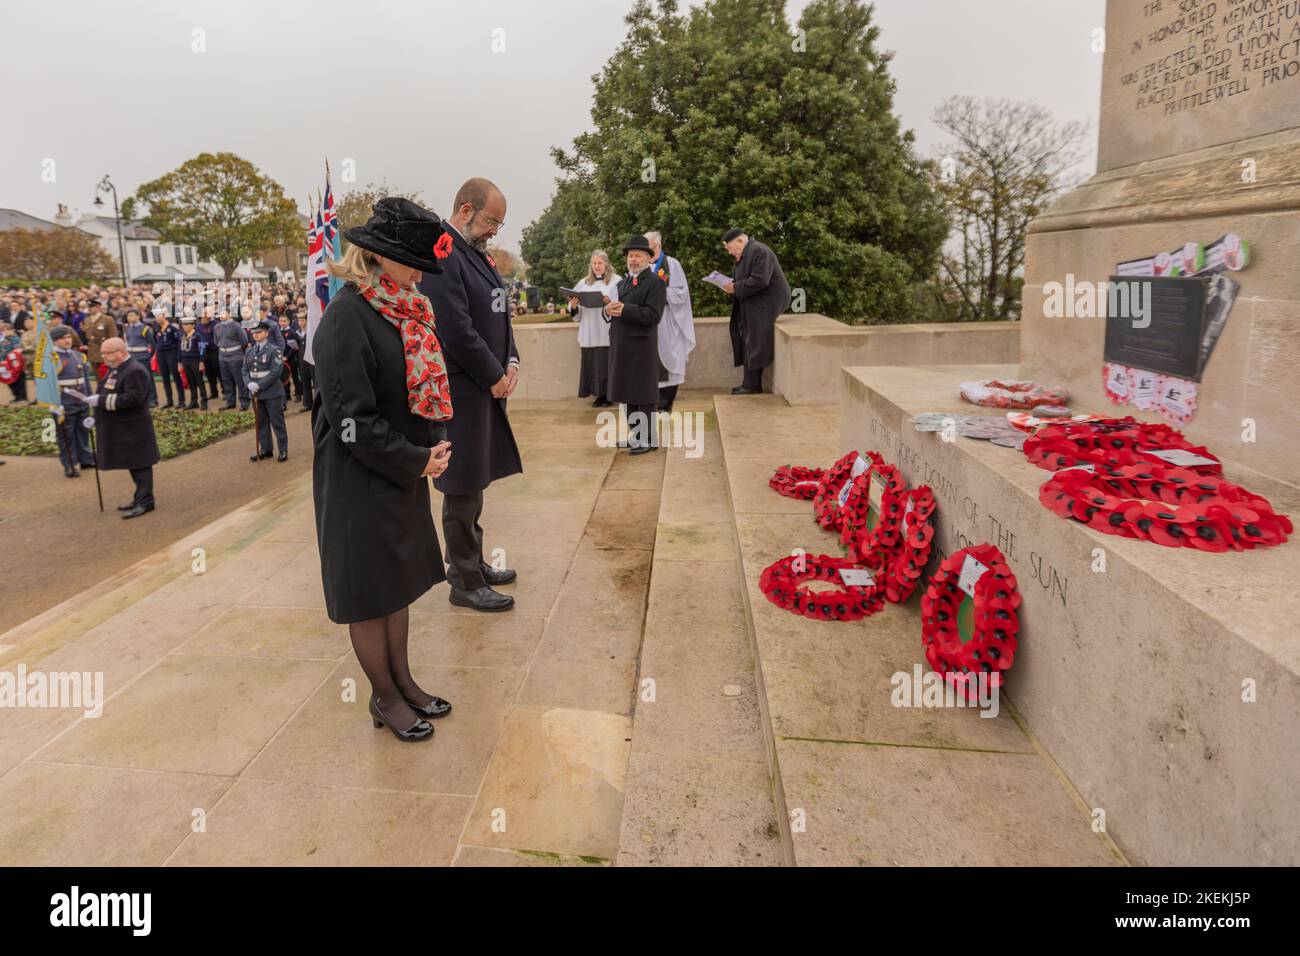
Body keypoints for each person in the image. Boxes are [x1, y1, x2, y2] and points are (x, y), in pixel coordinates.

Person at [314, 198, 455, 741]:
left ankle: (404, 682)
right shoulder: (347, 316)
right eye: (413, 261)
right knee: (370, 593)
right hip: (358, 480)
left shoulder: (404, 305)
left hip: (399, 470)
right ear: (377, 257)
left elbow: (417, 391)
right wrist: (414, 457)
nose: (420, 272)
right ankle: (384, 696)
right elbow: (351, 420)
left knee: (396, 586)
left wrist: (431, 445)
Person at [418, 177, 522, 614]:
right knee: (461, 485)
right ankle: (462, 579)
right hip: (462, 388)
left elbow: (500, 312)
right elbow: (455, 328)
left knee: (475, 481)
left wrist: (510, 361)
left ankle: (474, 563)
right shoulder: (444, 251)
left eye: (499, 223)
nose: (494, 230)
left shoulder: (474, 252)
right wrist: (493, 375)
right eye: (490, 221)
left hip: (484, 386)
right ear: (465, 210)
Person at [84, 337, 159, 519]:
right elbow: (106, 391)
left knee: (140, 464)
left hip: (134, 427)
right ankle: (139, 497)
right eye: (102, 353)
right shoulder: (117, 369)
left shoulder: (135, 371)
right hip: (123, 428)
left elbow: (133, 399)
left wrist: (100, 401)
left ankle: (146, 501)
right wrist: (96, 414)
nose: (104, 357)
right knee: (133, 464)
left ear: (120, 352)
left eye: (107, 353)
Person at [604, 235, 666, 455]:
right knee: (628, 393)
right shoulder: (623, 283)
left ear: (649, 258)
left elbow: (653, 315)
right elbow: (615, 309)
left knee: (643, 394)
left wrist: (625, 310)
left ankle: (650, 438)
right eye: (630, 256)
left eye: (638, 255)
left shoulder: (656, 282)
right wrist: (607, 310)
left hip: (641, 347)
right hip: (623, 346)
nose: (633, 259)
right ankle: (637, 435)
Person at [721, 228, 790, 394]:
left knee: (754, 338)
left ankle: (752, 385)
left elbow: (761, 280)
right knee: (747, 336)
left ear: (740, 241)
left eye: (731, 248)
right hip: (755, 300)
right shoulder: (745, 253)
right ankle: (749, 383)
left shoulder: (759, 250)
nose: (731, 253)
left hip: (767, 301)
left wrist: (735, 287)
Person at [645, 230, 695, 412]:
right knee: (650, 363)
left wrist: (658, 293)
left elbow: (681, 293)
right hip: (648, 322)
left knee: (670, 362)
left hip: (667, 321)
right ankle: (653, 403)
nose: (644, 253)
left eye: (648, 249)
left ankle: (666, 404)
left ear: (658, 247)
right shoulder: (640, 267)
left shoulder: (671, 265)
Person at [567, 250, 619, 408]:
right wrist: (574, 306)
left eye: (600, 263)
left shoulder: (616, 281)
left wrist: (610, 301)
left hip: (607, 330)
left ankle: (609, 395)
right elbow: (575, 312)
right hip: (589, 330)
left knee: (606, 363)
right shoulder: (584, 283)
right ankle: (598, 395)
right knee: (593, 365)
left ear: (606, 264)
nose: (597, 266)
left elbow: (623, 303)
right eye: (594, 263)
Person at [49, 326, 95, 478]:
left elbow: (85, 379)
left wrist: (89, 396)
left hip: (80, 400)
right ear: (55, 341)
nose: (67, 340)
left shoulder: (77, 355)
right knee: (66, 435)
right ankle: (69, 464)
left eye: (68, 337)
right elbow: (47, 383)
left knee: (83, 430)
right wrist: (55, 403)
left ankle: (86, 459)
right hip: (64, 402)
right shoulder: (51, 359)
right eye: (63, 338)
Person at [243, 320, 288, 462]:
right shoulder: (249, 351)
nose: (256, 335)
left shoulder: (274, 350)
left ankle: (283, 450)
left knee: (277, 422)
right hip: (255, 393)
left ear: (266, 333)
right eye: (254, 333)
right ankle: (266, 449)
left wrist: (260, 385)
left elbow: (276, 372)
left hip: (271, 392)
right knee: (260, 422)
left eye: (259, 332)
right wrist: (249, 383)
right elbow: (244, 370)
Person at [213, 309, 249, 409]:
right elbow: (216, 341)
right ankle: (230, 402)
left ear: (229, 314)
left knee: (239, 380)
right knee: (226, 380)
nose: (221, 315)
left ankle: (244, 402)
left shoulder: (236, 326)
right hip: (222, 356)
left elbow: (244, 340)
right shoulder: (217, 327)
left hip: (235, 356)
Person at [177, 316, 209, 409]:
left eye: (188, 324)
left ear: (193, 325)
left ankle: (204, 401)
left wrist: (201, 361)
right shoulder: (182, 336)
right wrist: (179, 362)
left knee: (199, 381)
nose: (185, 326)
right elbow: (179, 350)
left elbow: (202, 349)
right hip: (185, 361)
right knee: (191, 382)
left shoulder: (197, 336)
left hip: (195, 361)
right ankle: (193, 401)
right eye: (184, 324)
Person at [153, 311, 183, 408]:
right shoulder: (156, 327)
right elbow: (156, 340)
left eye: (159, 316)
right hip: (161, 353)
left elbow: (178, 343)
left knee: (176, 377)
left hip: (171, 353)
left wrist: (179, 359)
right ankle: (169, 400)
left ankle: (181, 400)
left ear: (164, 316)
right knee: (165, 377)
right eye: (156, 316)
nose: (157, 318)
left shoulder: (172, 328)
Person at [195, 307, 221, 400]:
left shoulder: (216, 325)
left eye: (207, 313)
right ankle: (214, 392)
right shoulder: (198, 326)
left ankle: (225, 391)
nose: (205, 315)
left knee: (219, 373)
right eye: (204, 313)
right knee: (209, 374)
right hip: (204, 353)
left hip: (214, 352)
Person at [295, 313, 314, 412]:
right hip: (302, 359)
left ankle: (321, 401)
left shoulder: (311, 331)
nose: (300, 322)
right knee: (305, 381)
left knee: (316, 380)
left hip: (312, 358)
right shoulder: (297, 332)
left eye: (302, 320)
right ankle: (307, 403)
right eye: (299, 321)